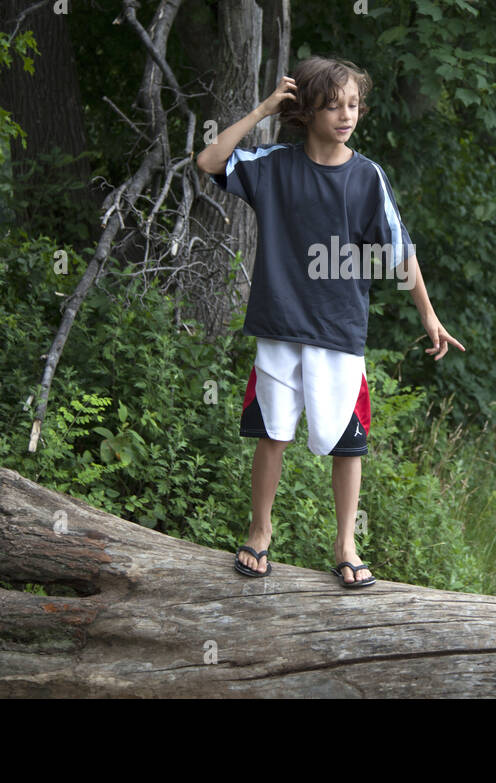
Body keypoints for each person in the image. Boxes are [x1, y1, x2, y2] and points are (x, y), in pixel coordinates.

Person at [194, 55, 464, 588]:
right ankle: (259, 533)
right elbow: (208, 160)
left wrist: (429, 315)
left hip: (339, 332)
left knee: (347, 440)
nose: (347, 115)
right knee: (272, 434)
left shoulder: (366, 178)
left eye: (354, 105)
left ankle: (345, 544)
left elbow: (399, 250)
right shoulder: (273, 166)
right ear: (307, 109)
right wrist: (266, 107)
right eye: (335, 105)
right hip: (278, 326)